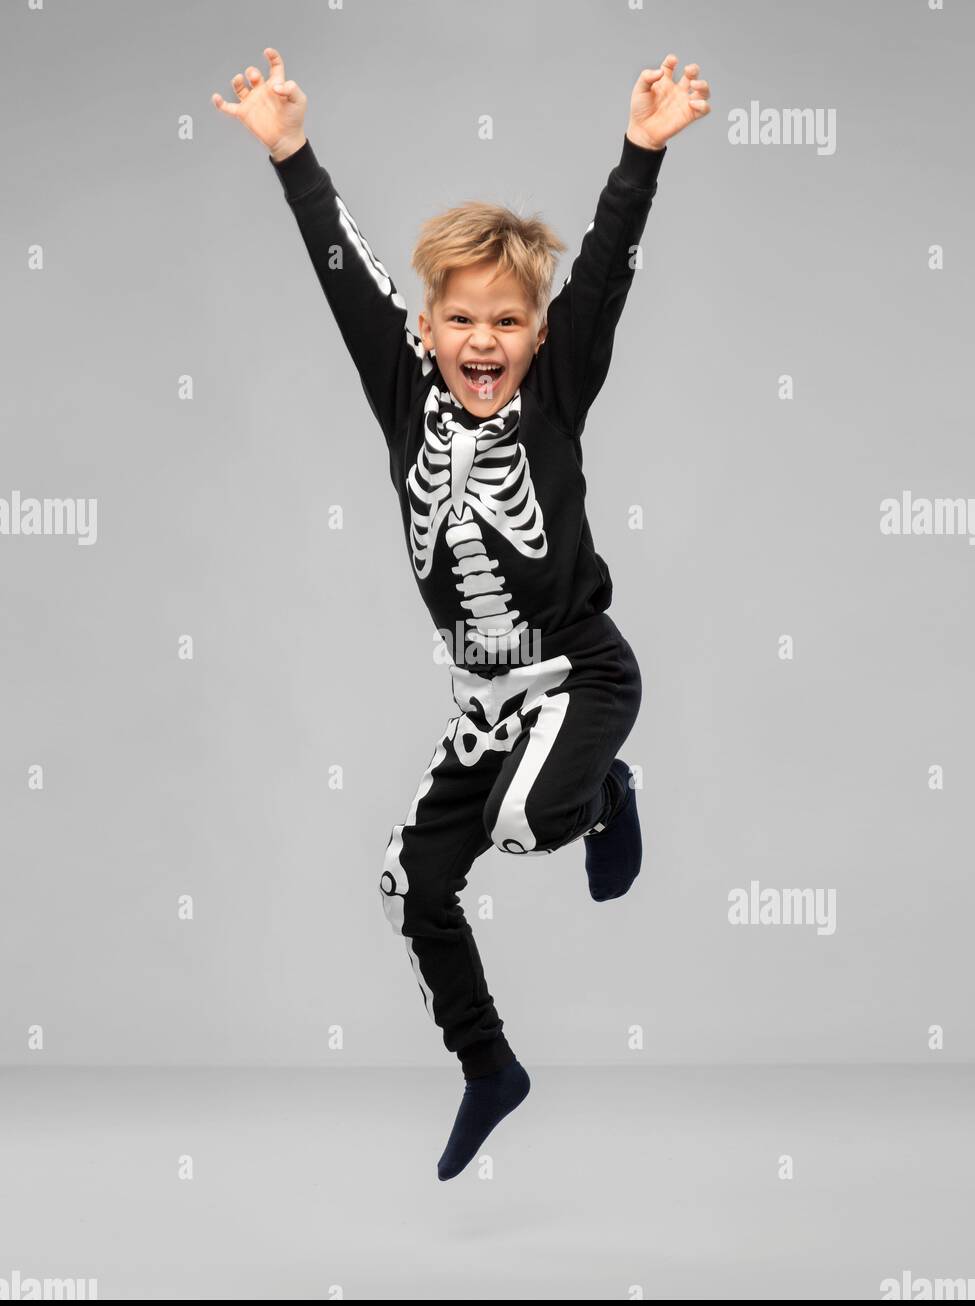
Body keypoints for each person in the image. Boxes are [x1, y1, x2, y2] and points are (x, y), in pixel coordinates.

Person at [213, 48, 710, 1180]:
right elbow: (344, 274)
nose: (484, 341)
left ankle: (602, 787)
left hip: (582, 673)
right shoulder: (405, 392)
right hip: (485, 700)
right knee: (411, 882)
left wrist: (641, 150)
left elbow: (607, 270)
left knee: (530, 822)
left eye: (508, 323)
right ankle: (490, 1066)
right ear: (430, 329)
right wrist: (291, 153)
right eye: (462, 321)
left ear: (536, 337)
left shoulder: (556, 384)